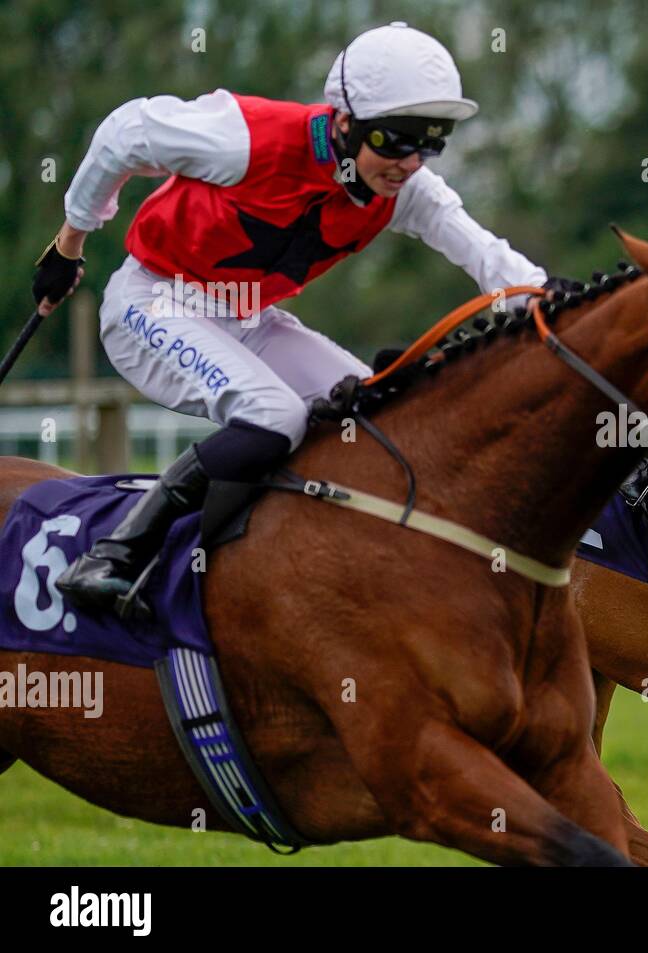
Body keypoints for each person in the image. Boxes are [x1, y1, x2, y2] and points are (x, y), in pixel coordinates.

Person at [33, 22, 564, 617]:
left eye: (430, 143)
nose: (410, 163)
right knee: (275, 415)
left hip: (247, 318)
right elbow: (122, 134)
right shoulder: (245, 139)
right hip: (153, 301)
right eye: (394, 141)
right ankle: (116, 555)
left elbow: (488, 256)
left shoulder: (406, 189)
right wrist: (69, 244)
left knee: (380, 419)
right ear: (344, 123)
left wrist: (546, 301)